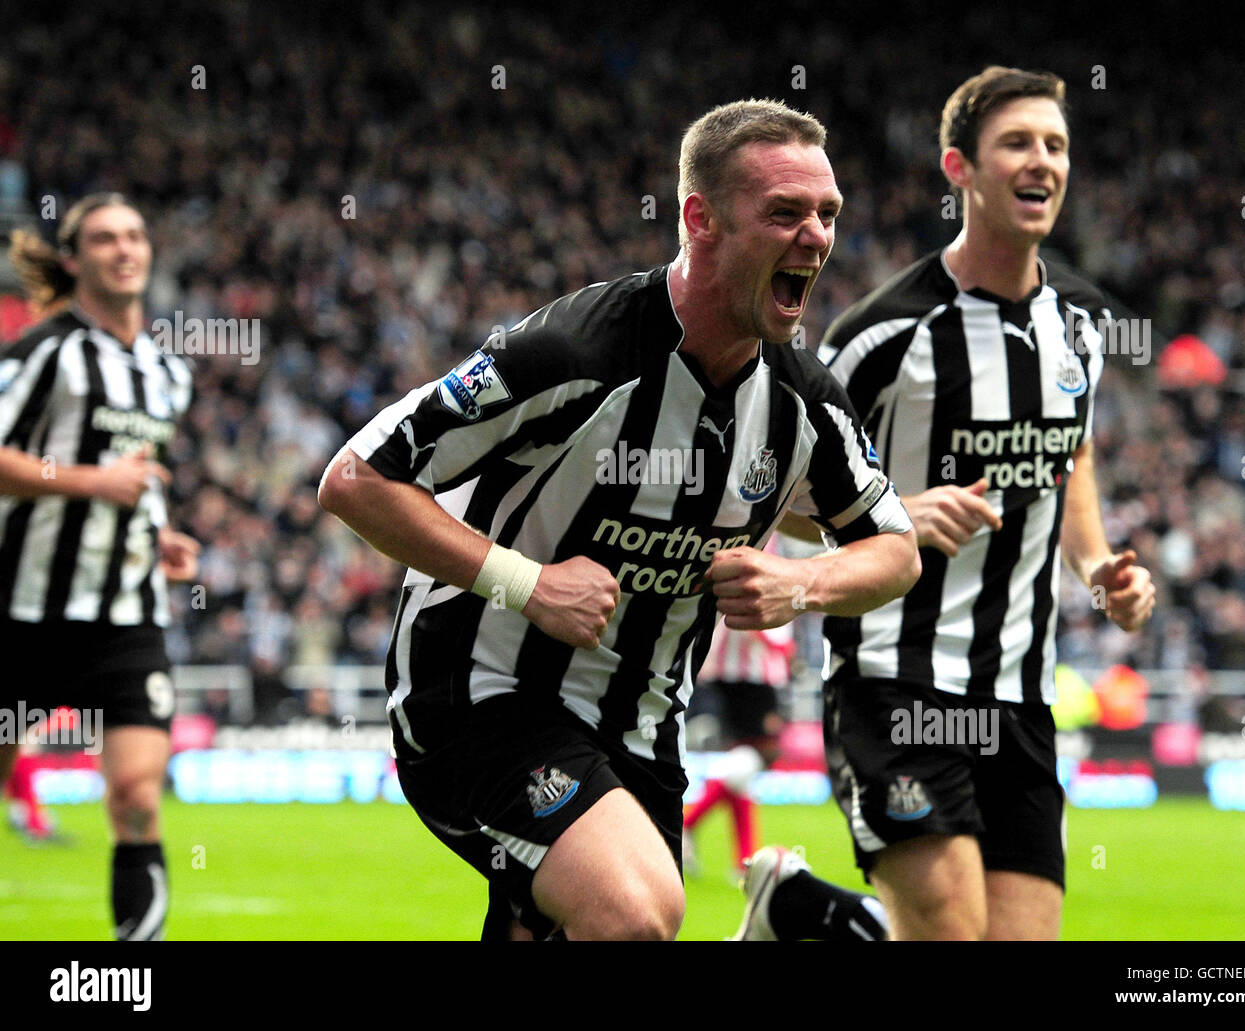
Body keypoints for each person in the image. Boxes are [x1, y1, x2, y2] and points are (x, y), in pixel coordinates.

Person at [318, 98, 921, 941]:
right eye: (784, 212)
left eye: (827, 214)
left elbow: (895, 551)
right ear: (699, 219)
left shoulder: (803, 402)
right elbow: (355, 478)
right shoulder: (573, 353)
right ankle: (784, 919)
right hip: (482, 695)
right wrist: (526, 583)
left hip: (641, 729)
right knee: (635, 914)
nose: (816, 235)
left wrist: (800, 582)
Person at [735, 67, 1155, 941]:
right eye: (1018, 143)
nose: (1043, 160)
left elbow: (1068, 461)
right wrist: (895, 513)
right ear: (958, 166)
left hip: (1019, 696)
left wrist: (1096, 566)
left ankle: (802, 914)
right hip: (896, 679)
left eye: (1056, 144)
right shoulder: (884, 335)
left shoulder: (1080, 327)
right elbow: (773, 484)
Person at [0, 194, 200, 940]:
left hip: (125, 619)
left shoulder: (167, 374)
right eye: (105, 238)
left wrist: (163, 533)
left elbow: (137, 479)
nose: (125, 249)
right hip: (19, 611)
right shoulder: (45, 351)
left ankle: (132, 971)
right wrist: (89, 484)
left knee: (139, 799)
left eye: (136, 235)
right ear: (75, 259)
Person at [683, 538, 796, 874]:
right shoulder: (761, 535)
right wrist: (777, 643)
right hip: (749, 673)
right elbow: (756, 593)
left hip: (737, 670)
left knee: (741, 768)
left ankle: (744, 860)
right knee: (759, 756)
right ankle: (686, 824)